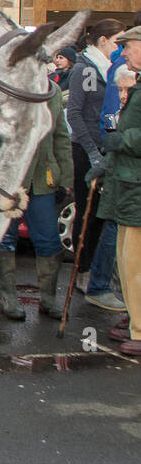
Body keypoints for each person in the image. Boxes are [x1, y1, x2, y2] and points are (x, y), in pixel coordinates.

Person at [0, 76, 72, 320]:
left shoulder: (53, 91)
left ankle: (48, 300)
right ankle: (8, 298)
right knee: (6, 239)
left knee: (48, 241)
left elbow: (60, 136)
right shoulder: (9, 86)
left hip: (42, 180)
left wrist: (66, 178)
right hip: (12, 181)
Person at [66, 17, 127, 311]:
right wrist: (92, 151)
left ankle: (97, 270)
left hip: (106, 149)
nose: (121, 48)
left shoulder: (111, 69)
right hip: (87, 149)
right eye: (118, 41)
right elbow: (76, 114)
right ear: (102, 41)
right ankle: (83, 270)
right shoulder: (85, 69)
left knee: (103, 217)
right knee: (88, 216)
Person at [89, 24, 141, 355]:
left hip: (136, 185)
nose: (123, 52)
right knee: (126, 262)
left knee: (134, 263)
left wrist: (124, 139)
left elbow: (132, 136)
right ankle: (136, 322)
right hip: (127, 182)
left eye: (130, 46)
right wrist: (105, 165)